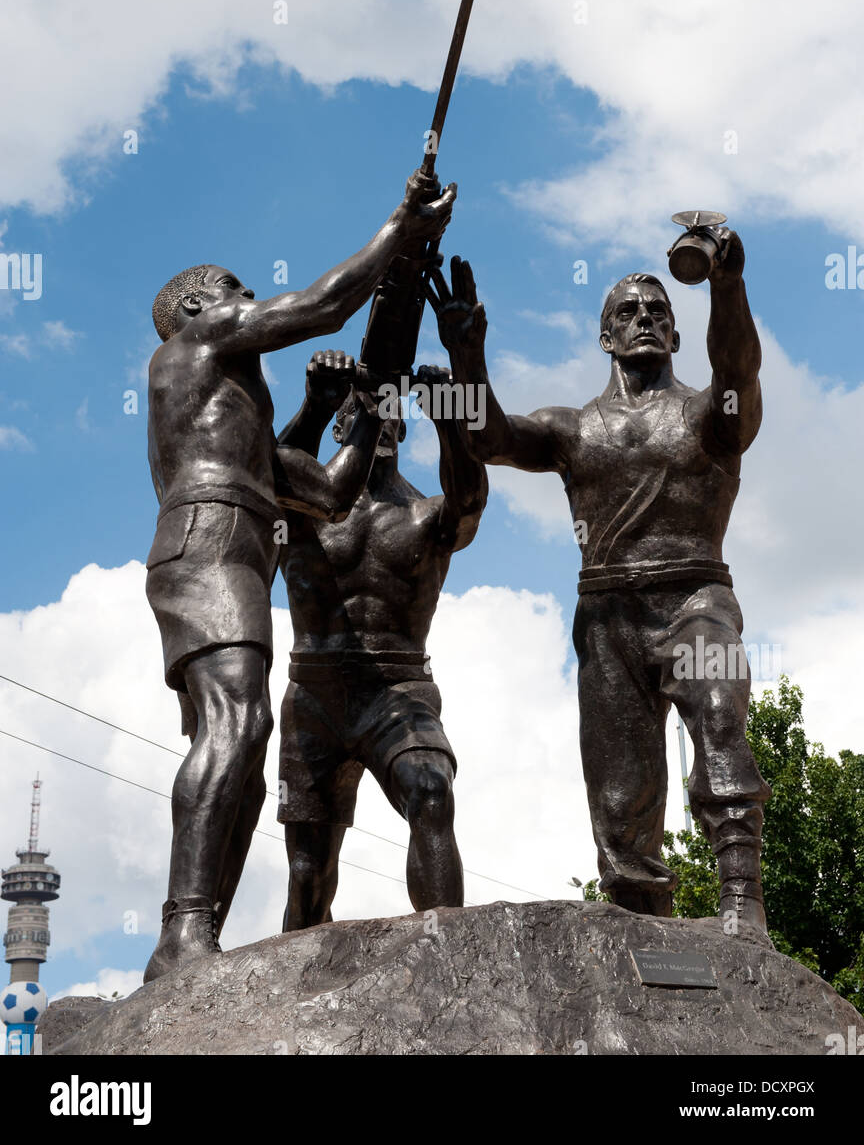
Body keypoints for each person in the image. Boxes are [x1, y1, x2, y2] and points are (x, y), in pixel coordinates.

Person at [143, 172, 455, 980]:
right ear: (194, 310)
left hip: (232, 542)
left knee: (242, 742)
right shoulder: (192, 345)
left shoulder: (233, 423)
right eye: (233, 292)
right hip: (211, 539)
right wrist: (399, 231)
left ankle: (194, 931)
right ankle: (182, 933)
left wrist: (348, 404)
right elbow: (319, 307)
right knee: (237, 727)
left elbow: (329, 491)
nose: (246, 300)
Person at [429, 236, 771, 931]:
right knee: (622, 799)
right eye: (628, 309)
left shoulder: (710, 417)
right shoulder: (572, 428)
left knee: (718, 715)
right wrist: (467, 353)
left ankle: (742, 899)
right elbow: (487, 439)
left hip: (696, 600)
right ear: (605, 335)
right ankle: (639, 932)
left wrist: (727, 286)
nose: (645, 317)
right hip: (607, 616)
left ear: (676, 331)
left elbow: (738, 369)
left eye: (657, 309)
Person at [275, 351, 487, 928]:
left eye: (393, 412)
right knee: (307, 874)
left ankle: (451, 955)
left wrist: (448, 414)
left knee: (431, 793)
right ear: (344, 426)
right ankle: (294, 992)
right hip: (314, 693)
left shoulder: (426, 513)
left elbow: (470, 500)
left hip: (400, 689)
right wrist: (317, 399)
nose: (383, 419)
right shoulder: (299, 510)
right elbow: (270, 467)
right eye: (368, 409)